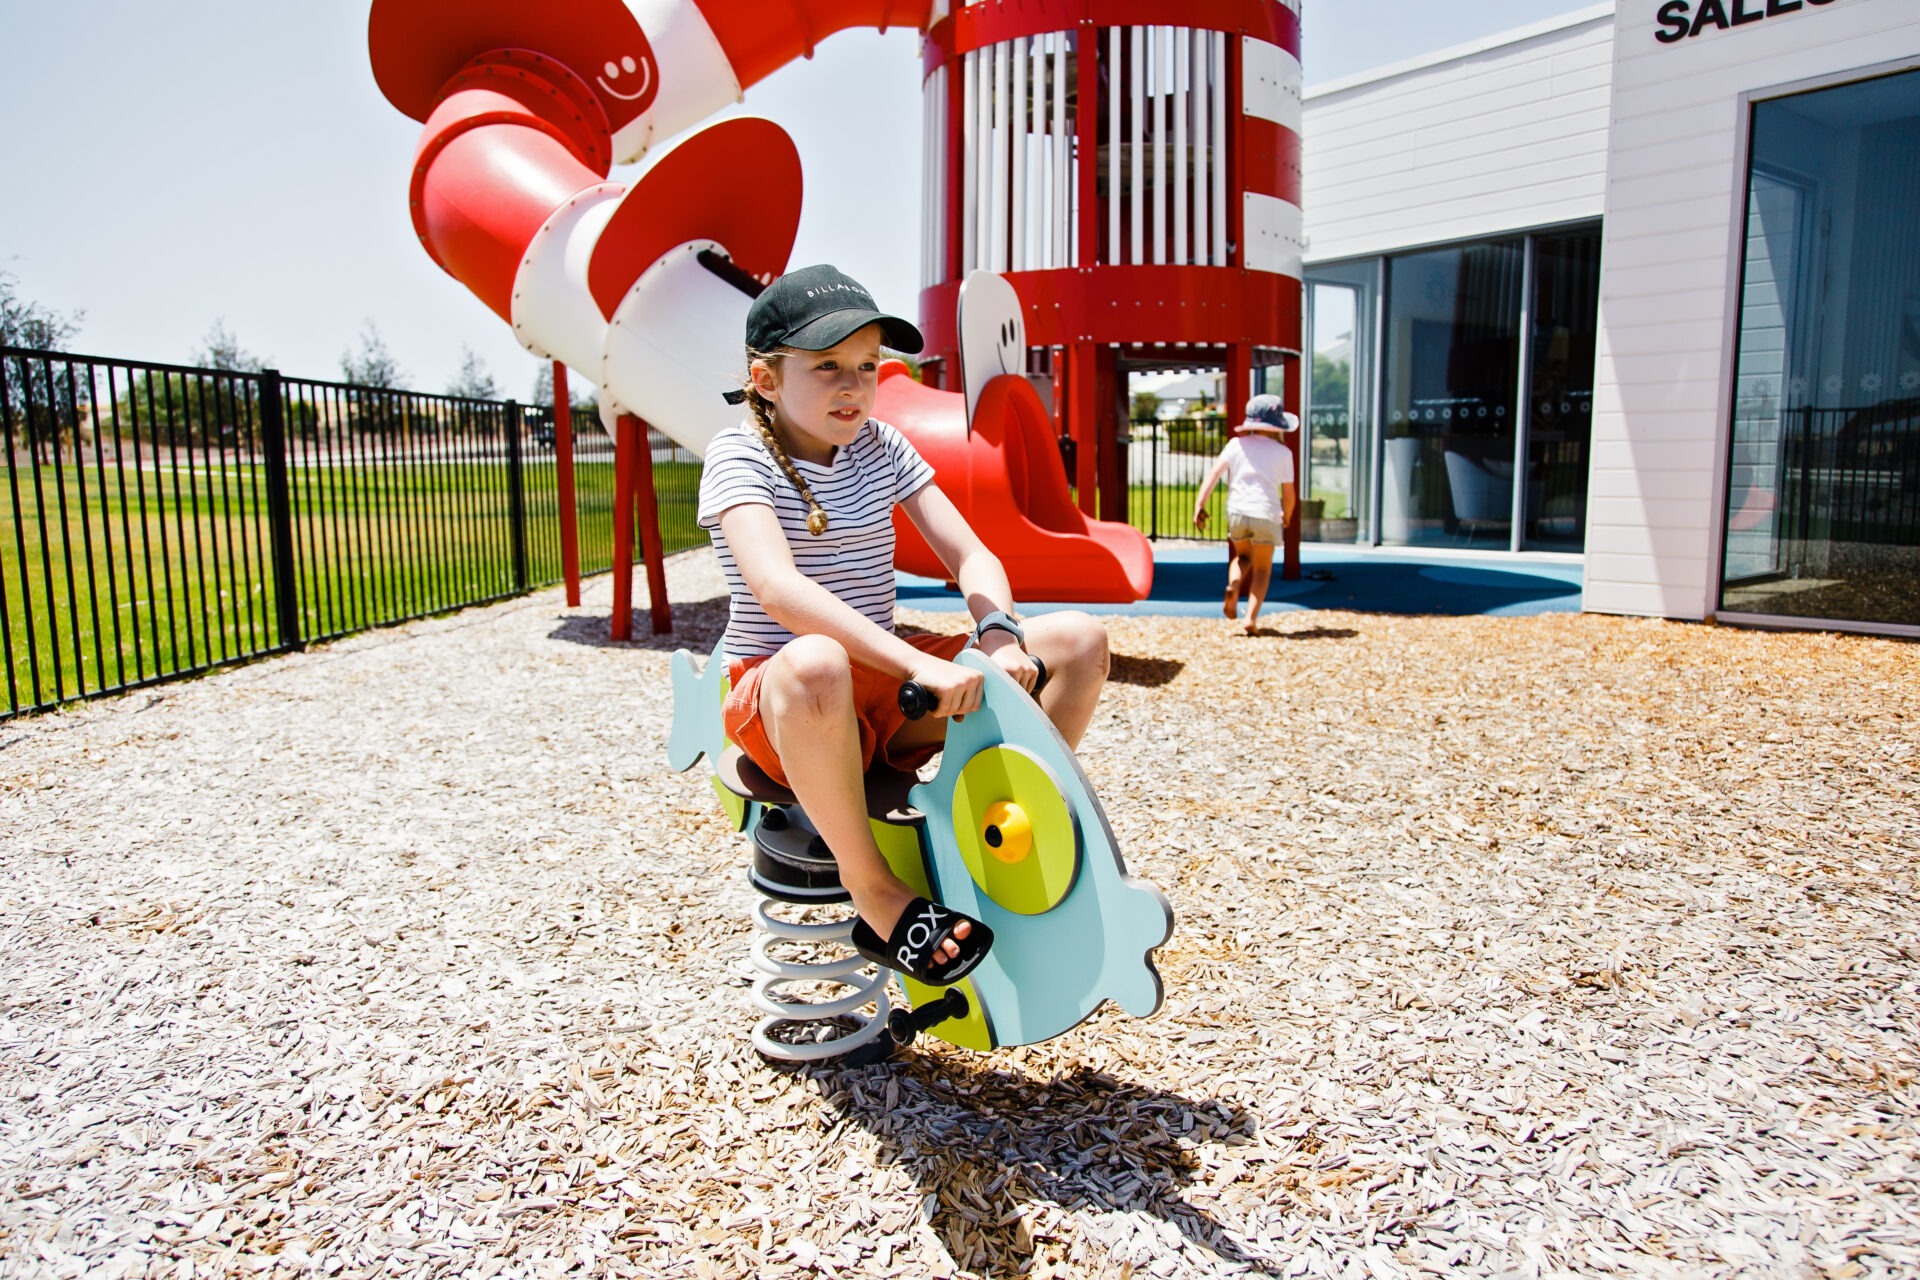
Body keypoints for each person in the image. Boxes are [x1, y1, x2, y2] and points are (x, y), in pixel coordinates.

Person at [699, 264, 1110, 986]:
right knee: (817, 660)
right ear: (766, 380)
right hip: (786, 696)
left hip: (886, 683)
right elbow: (777, 589)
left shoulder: (881, 447)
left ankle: (1002, 820)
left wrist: (997, 635)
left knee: (1077, 640)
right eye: (825, 367)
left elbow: (970, 552)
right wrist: (919, 665)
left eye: (866, 366)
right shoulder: (737, 456)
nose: (853, 385)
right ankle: (877, 893)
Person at [1192, 393, 1299, 634]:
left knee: (1242, 558)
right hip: (1267, 512)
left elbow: (1213, 475)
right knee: (1262, 568)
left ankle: (1234, 584)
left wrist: (1200, 504)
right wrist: (1288, 515)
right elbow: (1289, 492)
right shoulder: (1283, 453)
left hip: (1238, 511)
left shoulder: (1235, 444)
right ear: (1277, 425)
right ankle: (1250, 617)